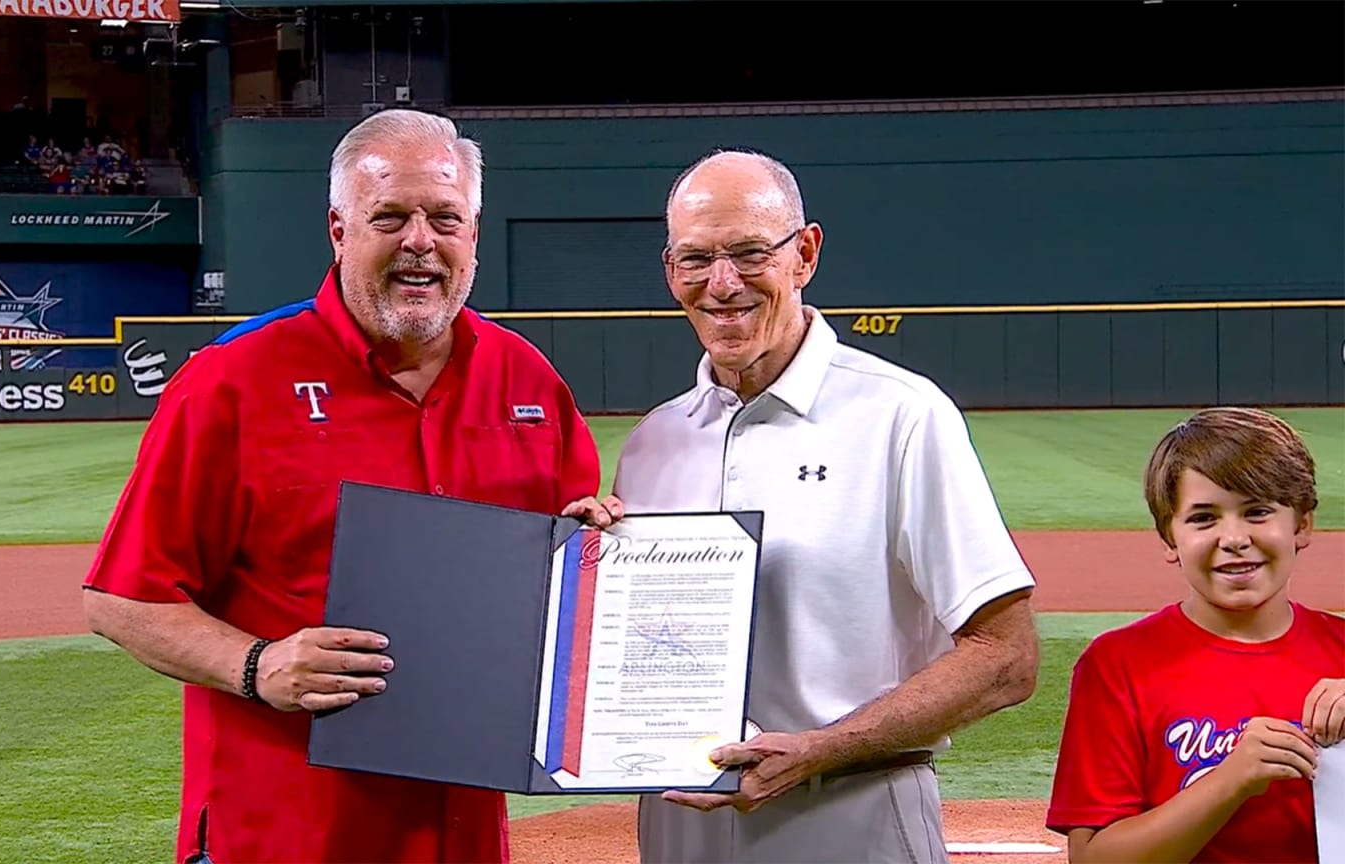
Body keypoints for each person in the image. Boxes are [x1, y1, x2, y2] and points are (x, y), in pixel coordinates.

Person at [83, 108, 602, 864]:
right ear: (339, 229)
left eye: (444, 219)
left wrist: (601, 550)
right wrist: (257, 666)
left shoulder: (526, 377)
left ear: (474, 235)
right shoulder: (233, 381)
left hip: (461, 831)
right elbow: (121, 597)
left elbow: (567, 566)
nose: (420, 242)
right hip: (284, 826)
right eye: (389, 216)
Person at [563, 148, 1040, 863]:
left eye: (750, 252)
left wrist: (821, 750)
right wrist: (579, 572)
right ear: (670, 273)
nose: (722, 284)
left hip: (852, 813)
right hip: (679, 826)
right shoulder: (653, 443)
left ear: (804, 253)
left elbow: (1007, 657)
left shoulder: (901, 415)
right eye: (695, 260)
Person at [1045, 407, 1344, 863]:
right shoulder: (1119, 665)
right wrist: (1231, 780)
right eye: (1204, 518)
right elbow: (1093, 858)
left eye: (1258, 511)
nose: (1234, 538)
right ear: (1169, 537)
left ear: (1301, 524)